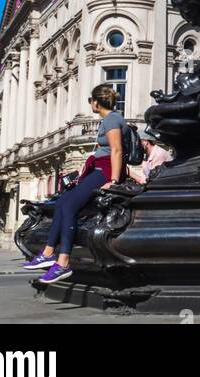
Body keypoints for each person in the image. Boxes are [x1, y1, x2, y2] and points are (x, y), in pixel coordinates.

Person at [21, 84, 125, 284]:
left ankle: (63, 263)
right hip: (98, 169)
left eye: (90, 100)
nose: (90, 104)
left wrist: (113, 180)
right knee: (61, 203)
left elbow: (117, 150)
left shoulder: (112, 119)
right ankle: (49, 253)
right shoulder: (108, 120)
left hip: (105, 170)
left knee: (69, 206)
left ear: (95, 102)